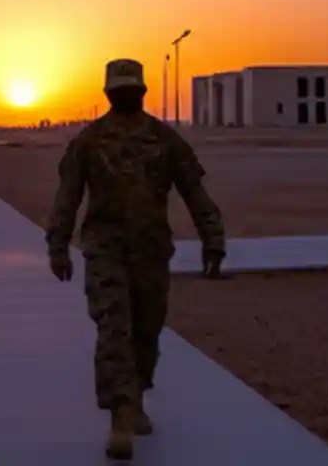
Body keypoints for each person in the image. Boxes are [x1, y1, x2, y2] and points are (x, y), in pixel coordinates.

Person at [46, 58, 226, 460]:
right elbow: (68, 195)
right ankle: (120, 416)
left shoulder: (165, 140)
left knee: (147, 330)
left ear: (142, 92)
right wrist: (57, 243)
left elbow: (194, 192)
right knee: (114, 327)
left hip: (151, 252)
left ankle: (136, 398)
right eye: (119, 89)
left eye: (132, 89)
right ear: (108, 93)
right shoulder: (88, 142)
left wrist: (213, 237)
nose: (125, 95)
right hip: (105, 250)